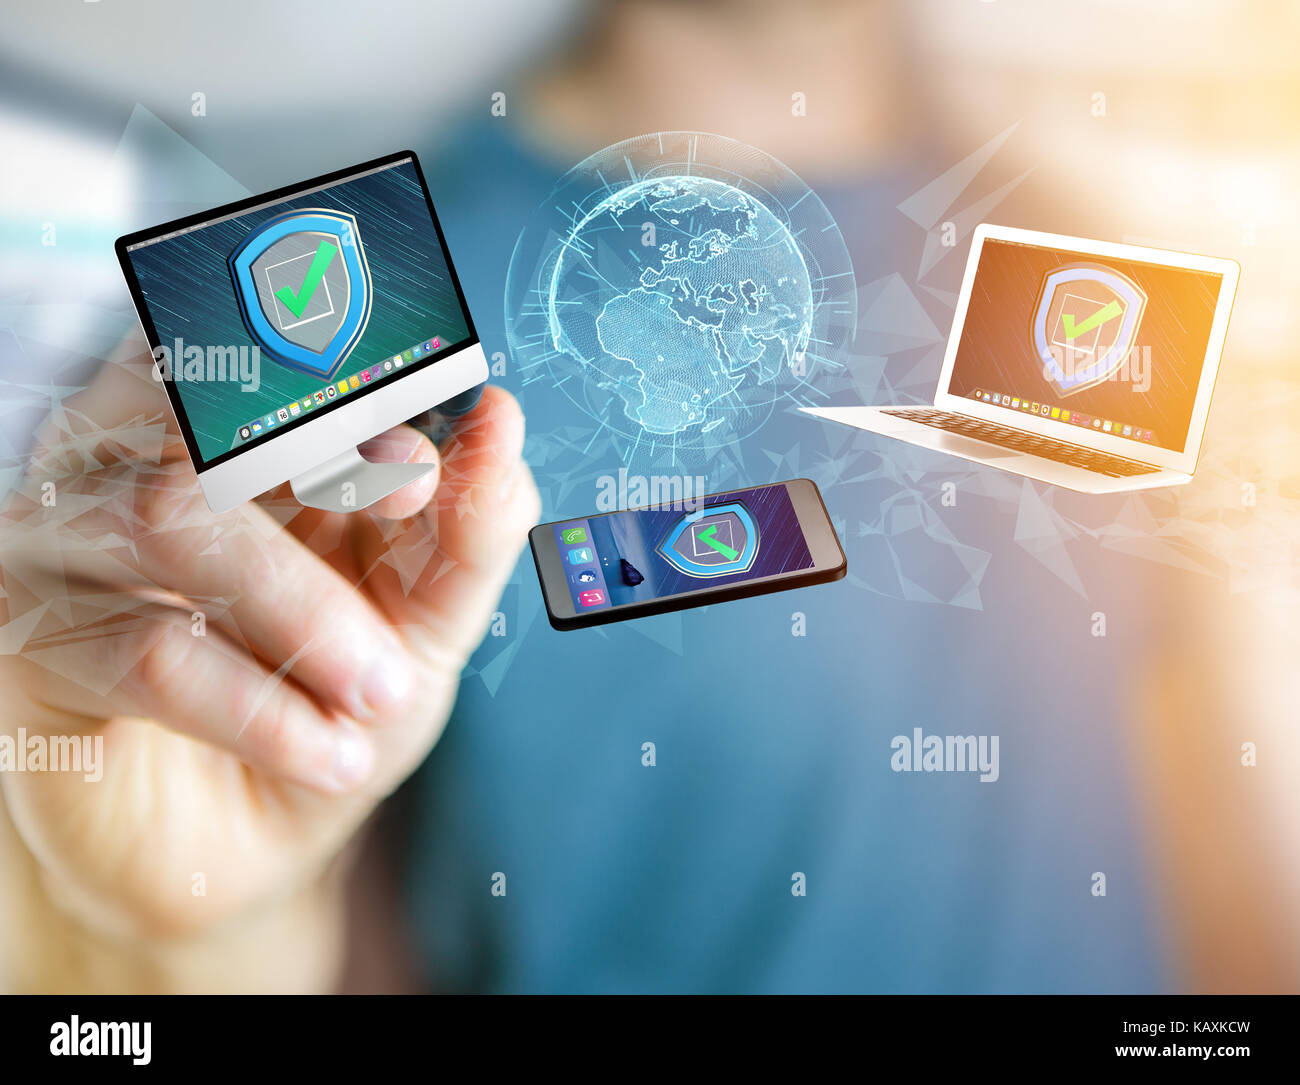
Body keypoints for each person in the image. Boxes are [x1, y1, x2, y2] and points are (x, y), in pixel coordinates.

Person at [2, 0, 1295, 994]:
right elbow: (250, 874)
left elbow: (1238, 855)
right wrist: (186, 931)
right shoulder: (371, 296)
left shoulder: (1105, 275)